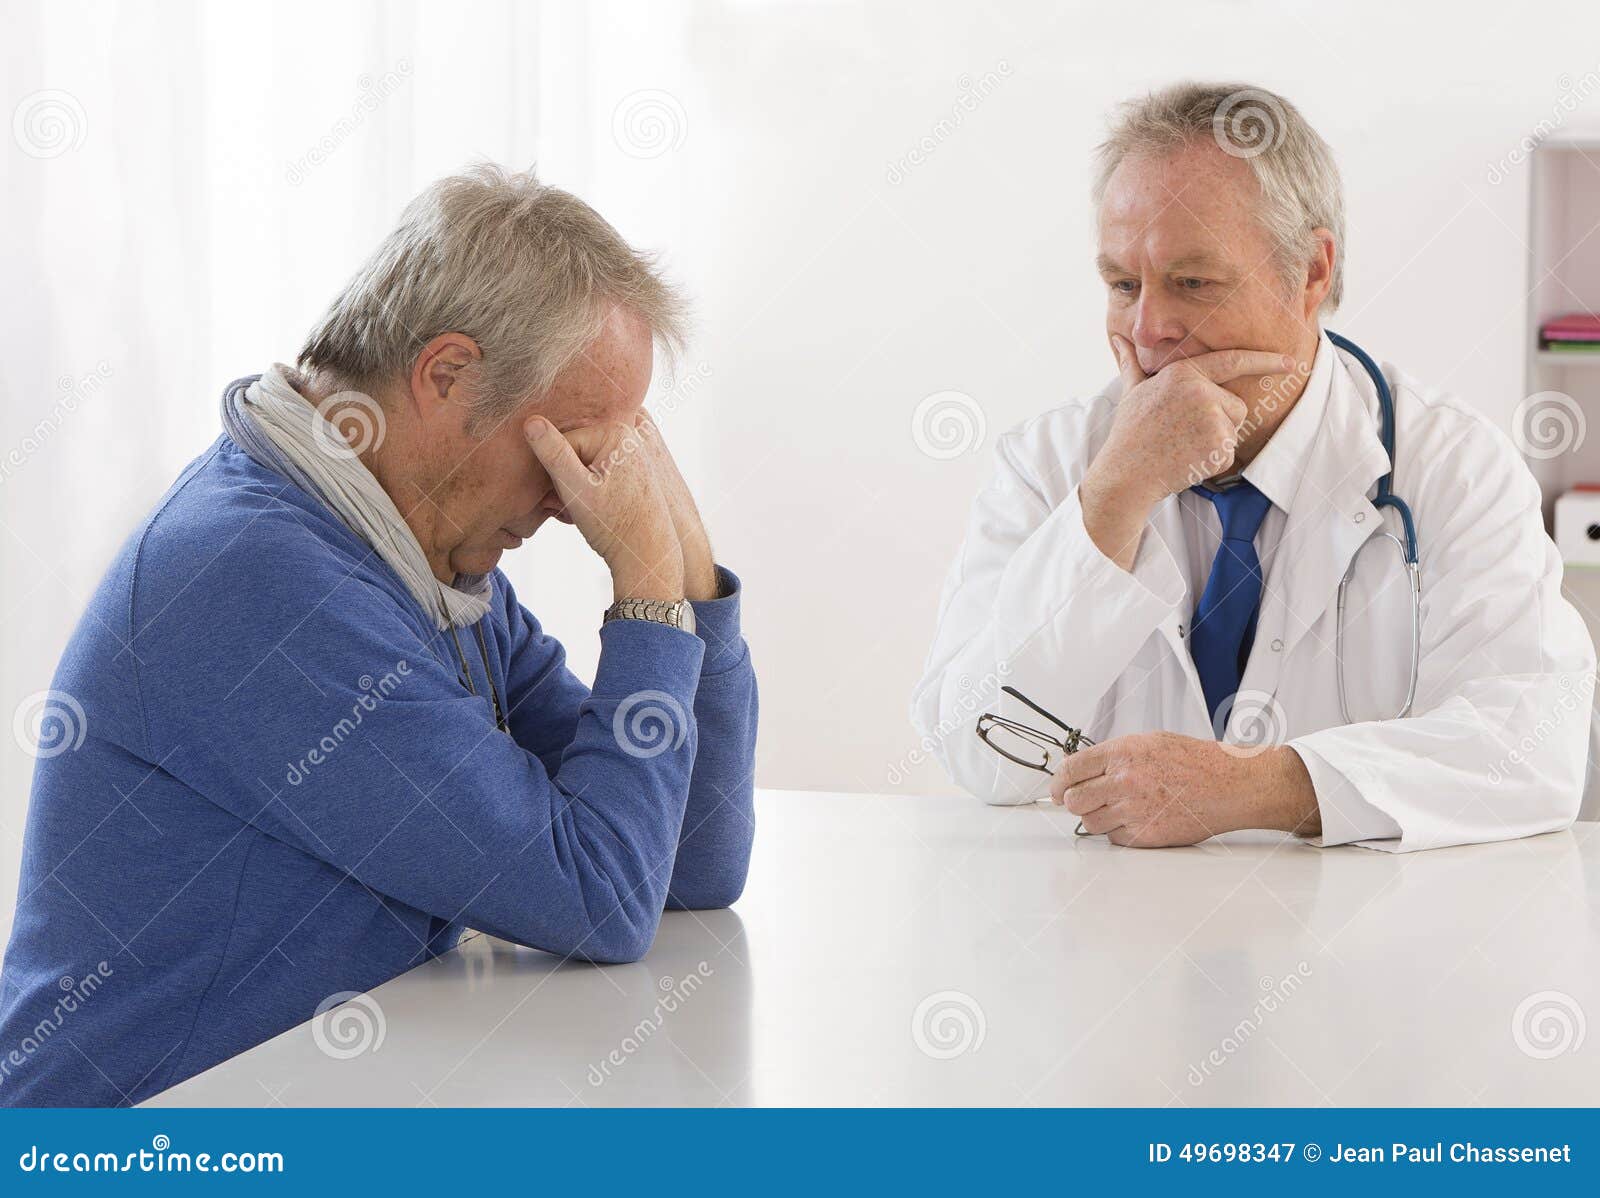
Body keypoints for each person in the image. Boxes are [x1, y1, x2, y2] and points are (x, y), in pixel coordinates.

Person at [0, 165, 757, 1106]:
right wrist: (644, 596)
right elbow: (598, 897)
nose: (576, 502)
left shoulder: (416, 551)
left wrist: (688, 575)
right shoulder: (259, 580)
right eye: (567, 445)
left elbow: (690, 859)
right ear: (446, 375)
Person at [912, 82, 1595, 852]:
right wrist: (1110, 501)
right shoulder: (1049, 465)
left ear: (1310, 272)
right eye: (1123, 285)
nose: (1148, 329)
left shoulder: (1451, 466)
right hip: (1109, 946)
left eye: (1192, 283)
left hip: (1360, 953)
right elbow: (977, 756)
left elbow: (1533, 749)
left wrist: (1259, 788)